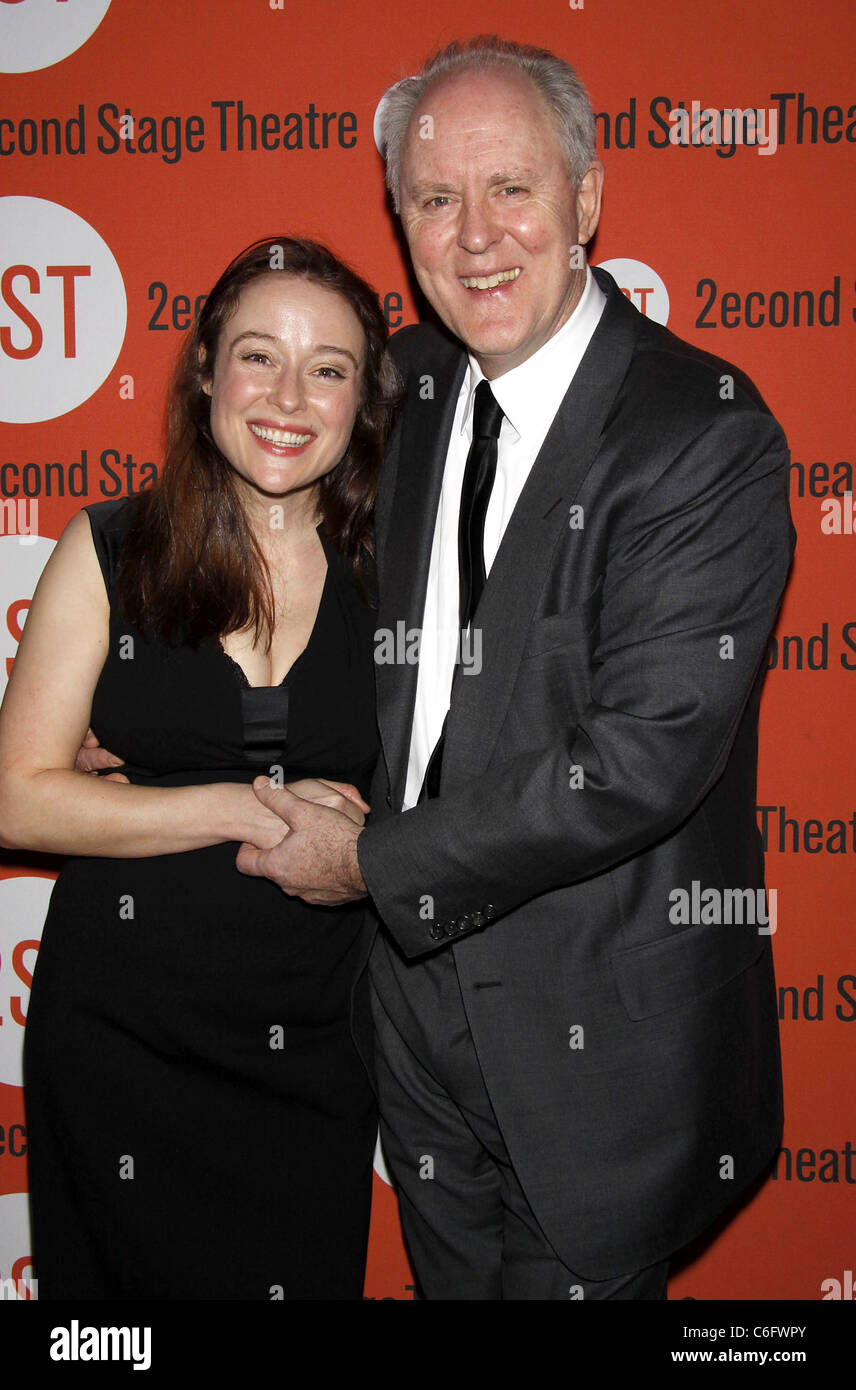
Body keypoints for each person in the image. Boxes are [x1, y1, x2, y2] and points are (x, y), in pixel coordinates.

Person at [227, 38, 795, 1300]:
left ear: (586, 199)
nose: (474, 235)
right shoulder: (413, 388)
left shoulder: (702, 434)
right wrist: (152, 706)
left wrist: (369, 862)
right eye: (434, 199)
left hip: (596, 1048)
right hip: (413, 1021)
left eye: (512, 190)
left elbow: (639, 758)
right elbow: (271, 530)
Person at [0, 235, 399, 1299]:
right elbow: (18, 797)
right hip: (122, 1038)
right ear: (205, 372)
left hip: (314, 1042)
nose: (288, 397)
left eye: (329, 369)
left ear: (363, 401)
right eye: (258, 355)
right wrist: (237, 804)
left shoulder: (402, 574)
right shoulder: (111, 545)